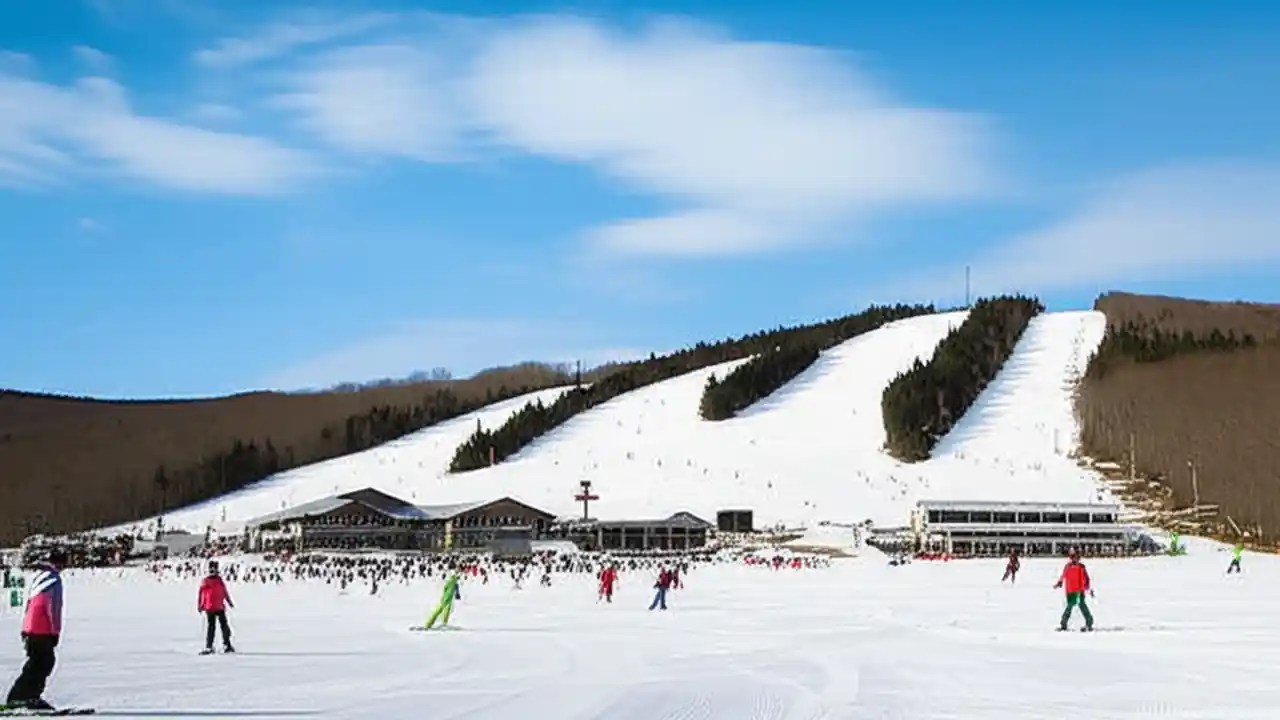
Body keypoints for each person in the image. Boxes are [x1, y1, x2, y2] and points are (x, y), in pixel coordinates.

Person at [5, 549, 66, 711]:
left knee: (37, 662)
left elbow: (29, 604)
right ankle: (25, 697)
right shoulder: (53, 579)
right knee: (42, 663)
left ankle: (22, 696)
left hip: (30, 628)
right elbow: (51, 607)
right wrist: (55, 632)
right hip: (42, 629)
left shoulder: (40, 577)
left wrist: (25, 628)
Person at [198, 560, 235, 654]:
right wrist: (200, 605)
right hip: (210, 607)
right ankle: (209, 646)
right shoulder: (205, 581)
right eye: (211, 569)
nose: (213, 571)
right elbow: (201, 594)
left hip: (219, 607)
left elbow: (224, 592)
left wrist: (229, 601)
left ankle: (227, 644)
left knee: (224, 626)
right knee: (212, 627)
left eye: (214, 569)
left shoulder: (219, 581)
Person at [1053, 548, 1094, 632]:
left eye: (1077, 557)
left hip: (1079, 591)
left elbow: (1086, 579)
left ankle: (1089, 623)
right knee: (1069, 607)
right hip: (1070, 591)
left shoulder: (1081, 567)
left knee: (1082, 605)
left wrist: (1088, 588)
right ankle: (1063, 624)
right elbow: (1063, 575)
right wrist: (1060, 582)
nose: (1075, 558)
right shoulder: (1068, 566)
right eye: (1073, 557)